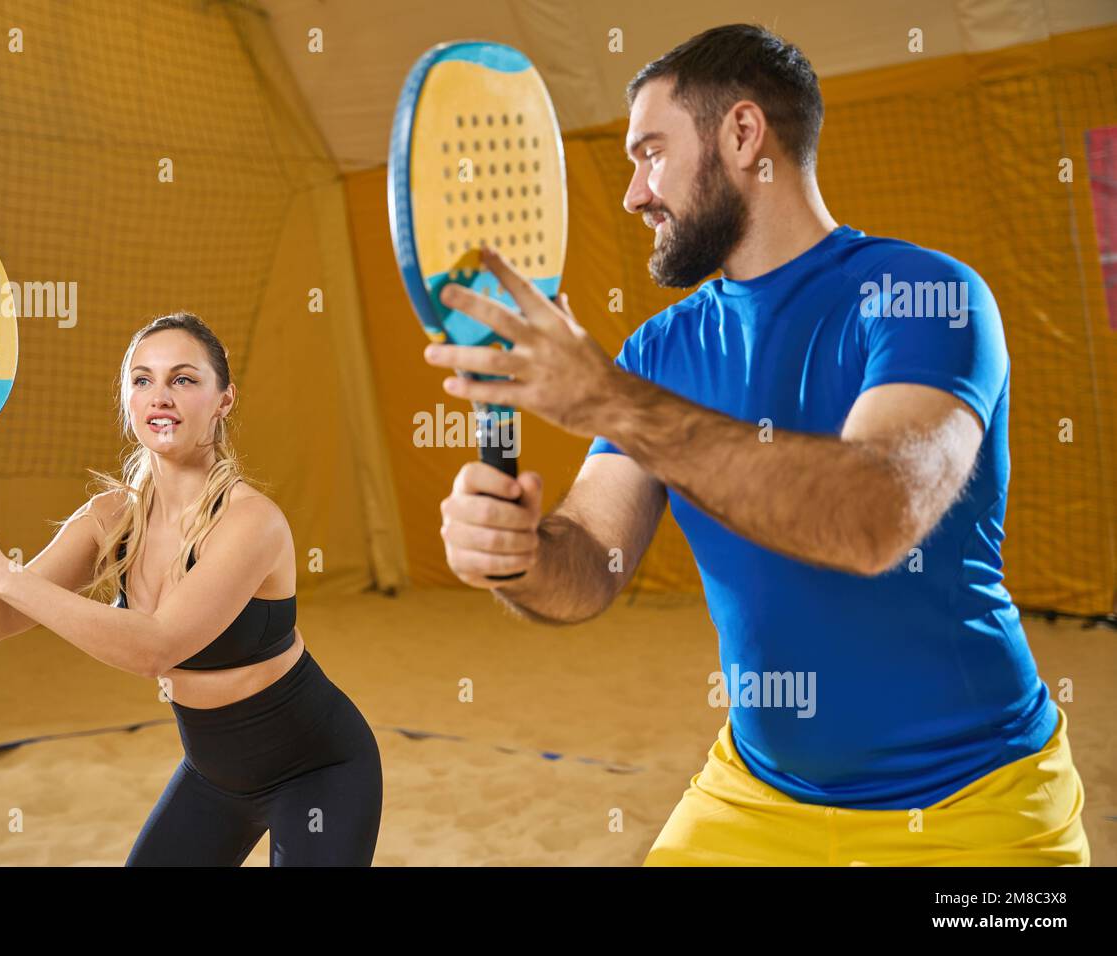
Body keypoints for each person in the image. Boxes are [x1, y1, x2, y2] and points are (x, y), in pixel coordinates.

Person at [425, 24, 1088, 866]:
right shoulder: (657, 352)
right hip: (758, 797)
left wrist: (609, 400)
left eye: (650, 154)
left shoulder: (926, 296)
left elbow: (874, 517)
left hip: (981, 805)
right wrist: (515, 554)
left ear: (743, 136)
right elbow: (592, 566)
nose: (634, 194)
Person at [0, 311, 382, 866]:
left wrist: (1, 572)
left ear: (224, 401)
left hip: (319, 772)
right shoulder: (111, 515)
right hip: (213, 778)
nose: (160, 396)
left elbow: (156, 647)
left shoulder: (251, 520)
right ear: (128, 402)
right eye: (142, 380)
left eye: (183, 379)